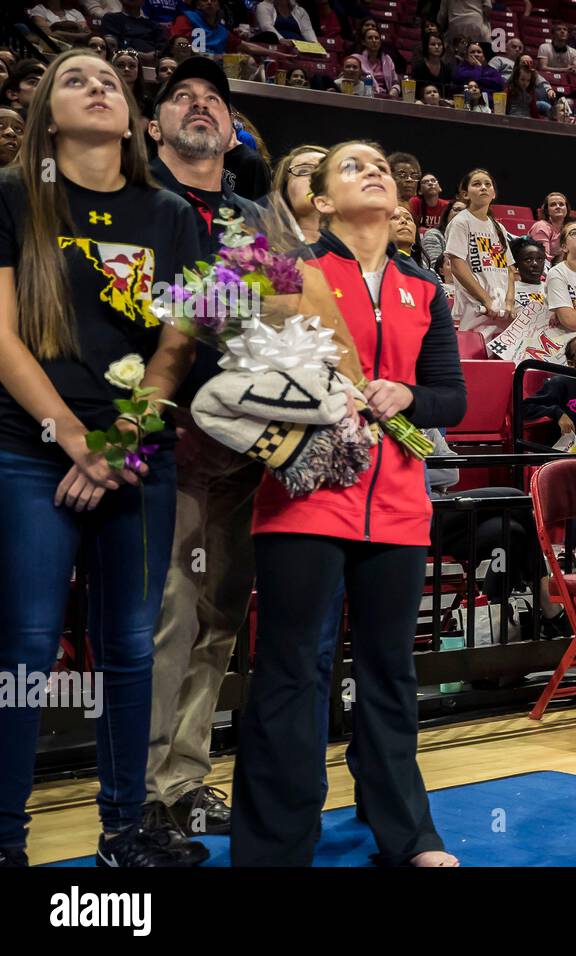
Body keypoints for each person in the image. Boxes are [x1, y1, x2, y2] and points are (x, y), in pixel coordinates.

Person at [229, 140, 466, 867]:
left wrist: (409, 395)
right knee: (293, 668)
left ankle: (407, 829)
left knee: (392, 668)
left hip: (396, 500)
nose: (374, 172)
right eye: (351, 166)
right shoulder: (285, 272)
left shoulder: (423, 286)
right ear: (322, 200)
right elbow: (241, 375)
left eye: (381, 168)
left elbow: (450, 398)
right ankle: (274, 846)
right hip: (304, 497)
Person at [0, 49, 204, 869]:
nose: (97, 89)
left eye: (110, 83)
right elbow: (2, 338)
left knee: (128, 646)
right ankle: (6, 845)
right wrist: (72, 438)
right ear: (50, 114)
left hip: (135, 457)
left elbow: (177, 344)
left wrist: (120, 439)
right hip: (27, 449)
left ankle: (125, 836)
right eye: (77, 80)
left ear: (131, 119)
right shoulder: (12, 197)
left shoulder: (169, 216)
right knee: (24, 649)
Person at [140, 55, 265, 851]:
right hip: (166, 441)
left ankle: (187, 779)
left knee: (220, 617)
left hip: (249, 446)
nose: (200, 106)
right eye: (181, 97)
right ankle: (146, 789)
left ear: (231, 128)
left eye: (214, 100)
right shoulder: (136, 205)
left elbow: (288, 317)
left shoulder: (256, 218)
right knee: (167, 619)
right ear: (152, 128)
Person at [443, 167, 514, 332]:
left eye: (488, 184)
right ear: (465, 194)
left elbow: (510, 269)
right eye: (476, 184)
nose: (483, 187)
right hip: (476, 309)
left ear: (494, 193)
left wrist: (509, 301)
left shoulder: (499, 228)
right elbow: (458, 266)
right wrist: (486, 300)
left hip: (503, 312)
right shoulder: (461, 222)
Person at [267, 143, 326, 244]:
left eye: (326, 170)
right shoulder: (264, 255)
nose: (317, 175)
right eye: (303, 171)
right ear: (284, 193)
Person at [103, 0, 170, 62]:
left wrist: (152, 56)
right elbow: (112, 46)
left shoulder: (155, 26)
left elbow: (162, 51)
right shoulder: (111, 19)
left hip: (152, 65)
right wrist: (142, 56)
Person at [528, 191, 572, 260]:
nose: (558, 207)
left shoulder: (570, 227)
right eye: (553, 204)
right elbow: (542, 257)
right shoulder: (541, 226)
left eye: (561, 204)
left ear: (567, 208)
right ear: (547, 210)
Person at [410, 33, 451, 99]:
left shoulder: (447, 69)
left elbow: (447, 93)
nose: (437, 47)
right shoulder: (418, 67)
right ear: (426, 47)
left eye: (439, 44)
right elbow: (413, 92)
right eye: (433, 44)